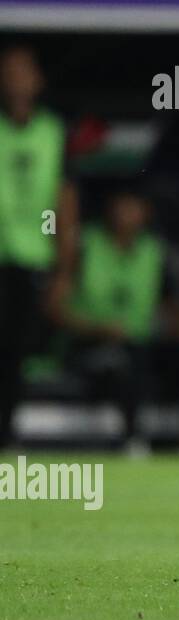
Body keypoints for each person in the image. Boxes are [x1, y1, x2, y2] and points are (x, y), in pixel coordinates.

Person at [49, 188, 179, 457]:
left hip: (143, 342)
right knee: (127, 361)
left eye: (134, 208)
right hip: (91, 342)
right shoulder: (84, 245)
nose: (127, 215)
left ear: (145, 213)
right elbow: (54, 308)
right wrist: (96, 328)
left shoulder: (154, 250)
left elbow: (167, 301)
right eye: (121, 207)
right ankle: (133, 439)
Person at [0, 45, 77, 448]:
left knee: (14, 353)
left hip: (31, 260)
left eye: (21, 70)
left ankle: (6, 436)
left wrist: (64, 270)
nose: (14, 79)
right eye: (7, 71)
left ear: (37, 80)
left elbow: (64, 204)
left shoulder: (51, 131)